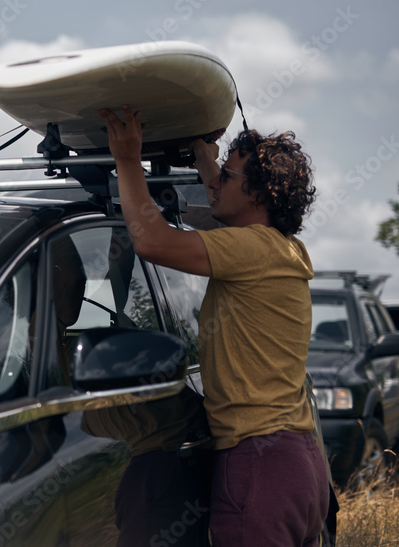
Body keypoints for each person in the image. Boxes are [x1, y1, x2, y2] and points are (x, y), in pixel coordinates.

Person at [97, 105, 328, 547]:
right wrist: (207, 159)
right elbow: (227, 194)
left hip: (258, 467)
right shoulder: (284, 248)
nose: (214, 185)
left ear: (258, 196)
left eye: (228, 177)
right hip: (298, 465)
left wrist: (127, 159)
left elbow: (151, 240)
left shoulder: (250, 248)